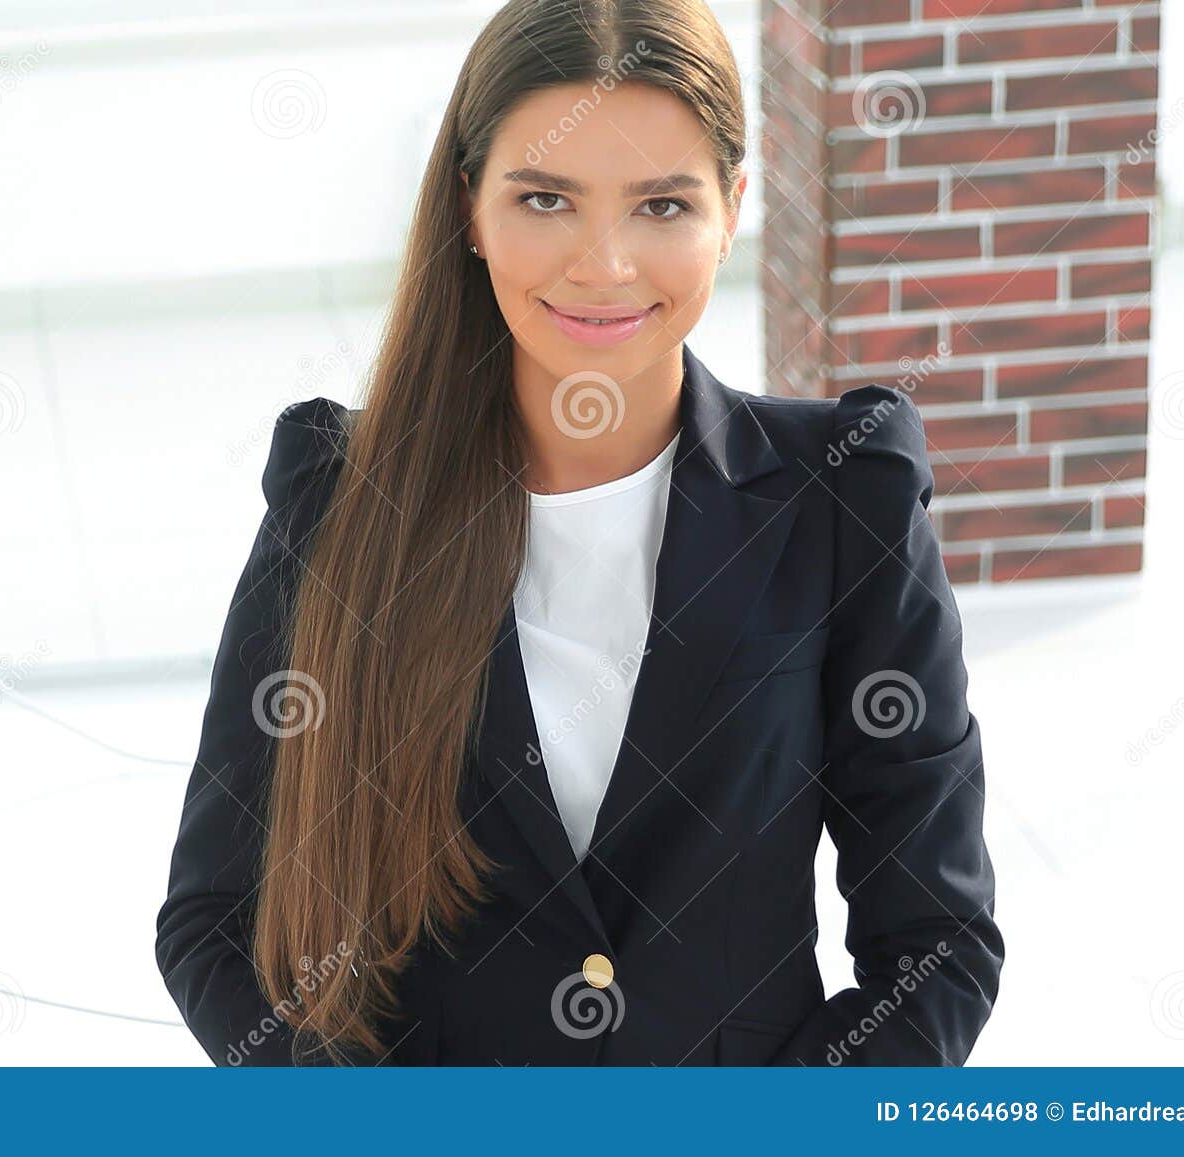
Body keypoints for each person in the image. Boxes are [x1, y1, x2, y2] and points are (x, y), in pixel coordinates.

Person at [154, 0, 1003, 1067]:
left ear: (732, 210)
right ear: (469, 204)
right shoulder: (338, 505)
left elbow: (937, 943)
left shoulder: (842, 501)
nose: (603, 264)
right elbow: (216, 923)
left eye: (660, 204)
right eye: (546, 198)